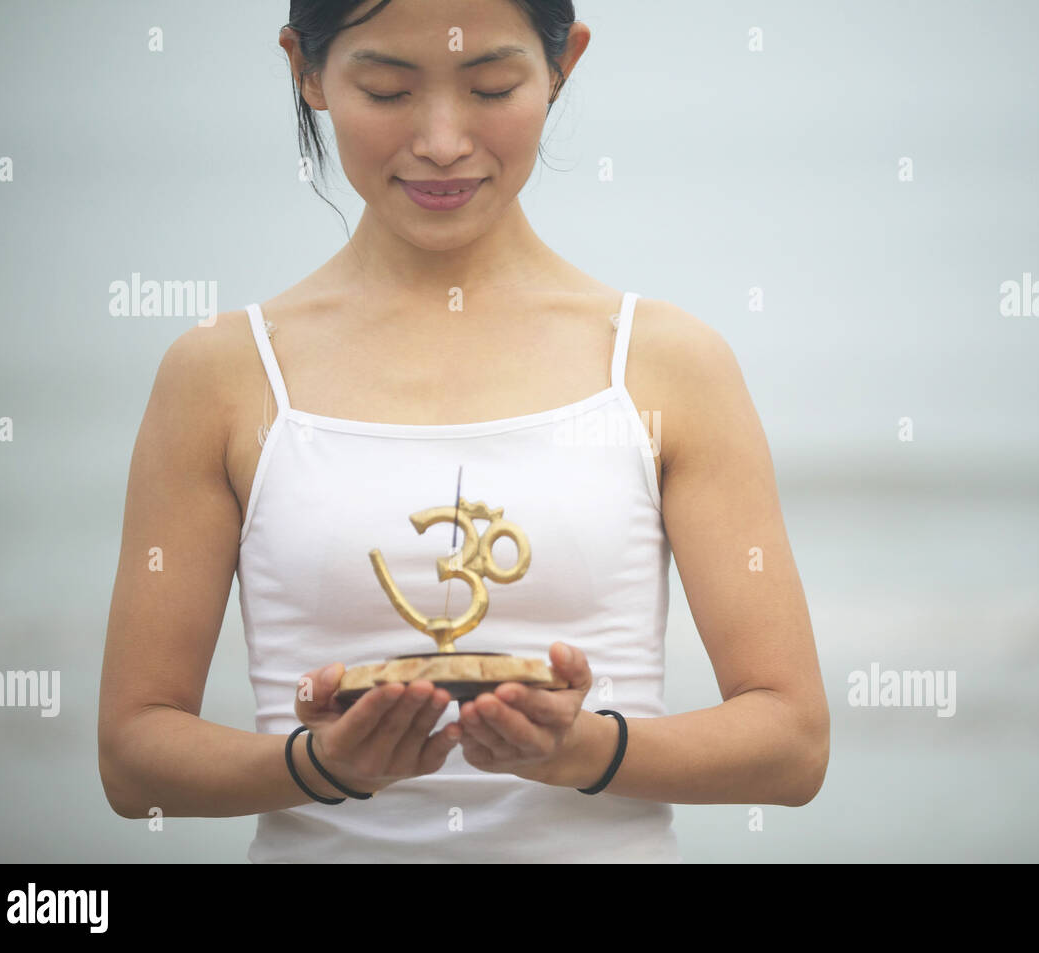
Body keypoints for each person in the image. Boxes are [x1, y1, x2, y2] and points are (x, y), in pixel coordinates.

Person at [98, 0, 829, 863]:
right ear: (305, 69)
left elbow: (792, 740)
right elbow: (134, 756)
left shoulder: (664, 364)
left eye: (491, 86)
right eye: (386, 90)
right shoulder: (224, 371)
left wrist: (586, 749)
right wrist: (320, 765)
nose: (443, 141)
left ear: (564, 66)